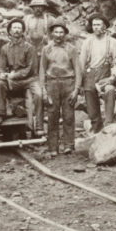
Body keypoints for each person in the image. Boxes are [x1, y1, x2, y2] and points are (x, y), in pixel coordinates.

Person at [0, 18, 43, 133]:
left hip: (30, 79)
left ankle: (39, 125)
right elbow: (1, 67)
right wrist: (2, 74)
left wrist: (13, 75)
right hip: (13, 81)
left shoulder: (29, 47)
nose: (16, 30)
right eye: (14, 28)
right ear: (10, 31)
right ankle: (1, 114)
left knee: (39, 95)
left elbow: (30, 69)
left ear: (23, 31)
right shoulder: (5, 48)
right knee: (0, 84)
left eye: (19, 28)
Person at [39, 21, 80, 156]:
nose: (58, 35)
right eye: (56, 32)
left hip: (68, 83)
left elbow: (77, 70)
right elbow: (42, 70)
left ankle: (68, 145)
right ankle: (53, 147)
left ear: (65, 34)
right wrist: (43, 90)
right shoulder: (46, 49)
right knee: (52, 116)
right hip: (52, 84)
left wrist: (76, 89)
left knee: (69, 116)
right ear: (51, 34)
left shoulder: (71, 49)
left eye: (61, 32)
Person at [75, 14, 116, 132]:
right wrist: (79, 83)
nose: (96, 27)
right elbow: (81, 63)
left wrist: (113, 76)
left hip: (106, 74)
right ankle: (96, 125)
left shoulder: (112, 42)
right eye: (94, 25)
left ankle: (108, 123)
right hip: (90, 74)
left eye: (98, 25)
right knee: (89, 94)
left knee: (110, 90)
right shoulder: (88, 42)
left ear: (104, 26)